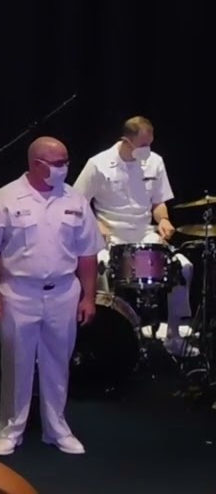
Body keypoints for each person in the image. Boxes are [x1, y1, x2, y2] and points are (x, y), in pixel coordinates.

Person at [0, 137, 100, 457]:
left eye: (65, 161)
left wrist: (89, 297)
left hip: (63, 292)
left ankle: (56, 426)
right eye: (58, 163)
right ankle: (11, 427)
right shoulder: (3, 199)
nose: (64, 168)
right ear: (36, 164)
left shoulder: (76, 200)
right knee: (17, 362)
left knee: (58, 361)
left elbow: (88, 254)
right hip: (17, 291)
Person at [72, 116, 194, 357]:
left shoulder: (155, 162)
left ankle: (174, 337)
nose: (147, 150)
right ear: (126, 141)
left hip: (144, 232)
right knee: (101, 267)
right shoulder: (98, 164)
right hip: (111, 235)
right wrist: (97, 224)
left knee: (184, 268)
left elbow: (158, 202)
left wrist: (164, 219)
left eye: (150, 143)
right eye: (142, 145)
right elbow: (77, 203)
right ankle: (107, 338)